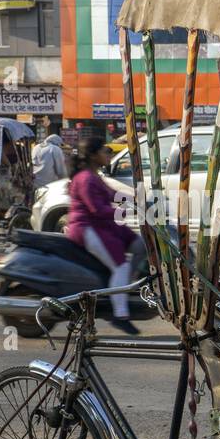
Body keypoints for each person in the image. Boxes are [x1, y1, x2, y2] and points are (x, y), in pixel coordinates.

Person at [65, 135, 143, 334]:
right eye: (104, 151)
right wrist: (125, 211)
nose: (108, 154)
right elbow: (97, 210)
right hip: (88, 228)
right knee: (121, 266)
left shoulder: (93, 176)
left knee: (139, 243)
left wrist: (138, 200)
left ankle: (130, 281)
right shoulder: (85, 179)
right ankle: (120, 314)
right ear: (93, 155)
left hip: (103, 225)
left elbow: (111, 195)